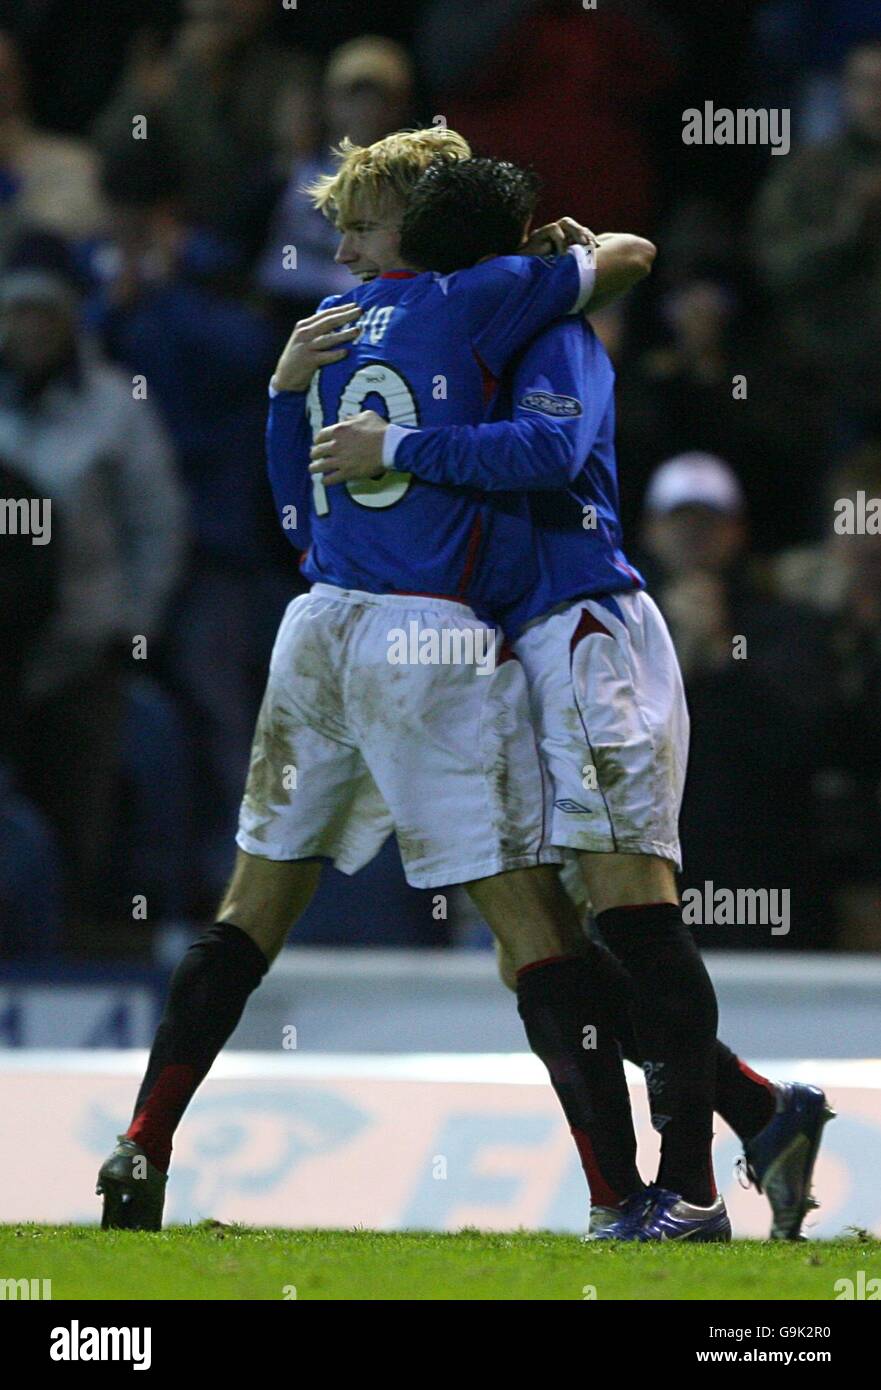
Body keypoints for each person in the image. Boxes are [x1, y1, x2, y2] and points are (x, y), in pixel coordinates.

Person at [95, 127, 656, 1231]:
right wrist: (568, 247)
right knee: (532, 925)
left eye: (357, 220)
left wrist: (276, 392)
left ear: (404, 217)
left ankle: (141, 1146)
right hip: (426, 642)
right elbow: (629, 257)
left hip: (315, 627)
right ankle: (621, 1196)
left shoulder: (323, 334)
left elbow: (295, 513)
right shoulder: (477, 291)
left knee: (248, 910)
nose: (340, 243)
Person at [310, 159, 833, 1241]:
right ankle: (758, 1112)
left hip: (586, 623)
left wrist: (393, 444)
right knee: (558, 941)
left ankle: (685, 1195)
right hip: (516, 650)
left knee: (636, 918)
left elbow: (551, 449)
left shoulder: (550, 323)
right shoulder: (468, 328)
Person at [0, 259, 185, 927]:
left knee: (79, 807)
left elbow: (155, 524)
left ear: (70, 320)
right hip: (4, 649)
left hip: (83, 649)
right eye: (16, 312)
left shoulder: (115, 405)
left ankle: (74, 953)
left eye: (43, 314)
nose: (29, 328)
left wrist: (132, 625)